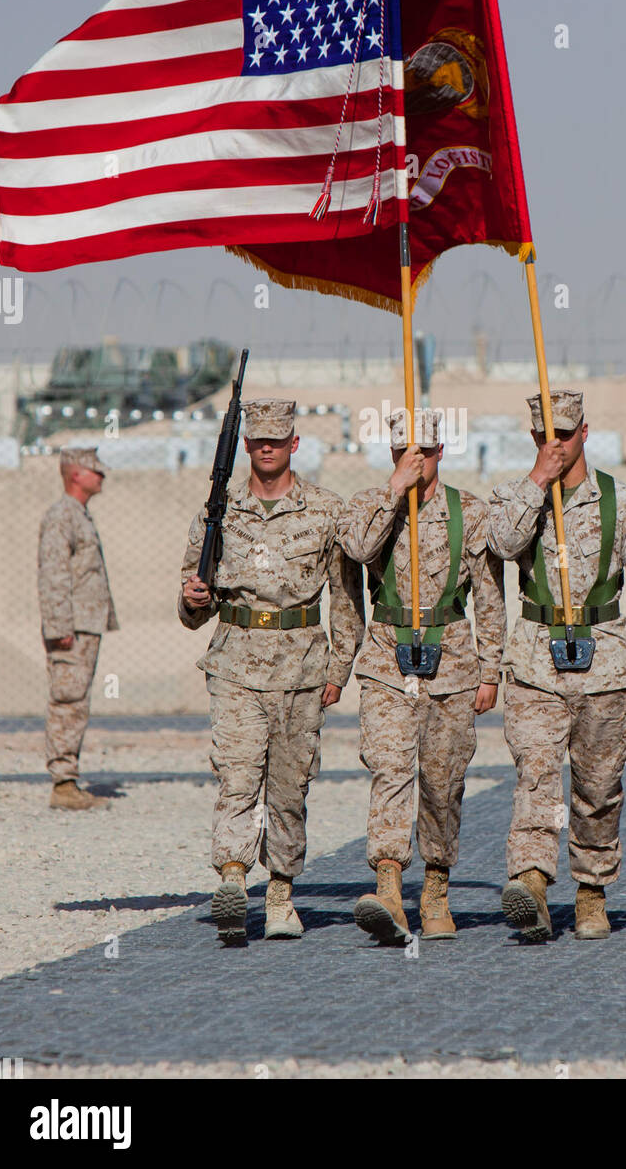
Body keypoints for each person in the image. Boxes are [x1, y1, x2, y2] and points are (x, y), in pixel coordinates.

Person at [179, 399, 364, 944]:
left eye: (276, 441)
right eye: (257, 441)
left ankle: (281, 894)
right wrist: (192, 598)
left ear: (293, 445)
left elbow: (347, 598)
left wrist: (339, 665)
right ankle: (234, 880)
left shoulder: (326, 511)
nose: (266, 448)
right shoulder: (218, 512)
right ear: (246, 446)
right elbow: (192, 606)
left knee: (289, 787)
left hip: (302, 667)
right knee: (237, 778)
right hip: (235, 662)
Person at [487, 389, 626, 942]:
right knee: (535, 777)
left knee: (598, 787)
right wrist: (537, 480)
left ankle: (591, 892)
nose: (555, 445)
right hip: (536, 662)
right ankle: (533, 884)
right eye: (545, 436)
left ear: (584, 433)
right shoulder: (514, 497)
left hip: (607, 660)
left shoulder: (623, 502)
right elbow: (500, 543)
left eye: (564, 435)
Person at [336, 408, 506, 944]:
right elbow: (357, 550)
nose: (416, 461)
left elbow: (490, 596)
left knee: (442, 782)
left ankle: (435, 887)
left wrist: (490, 670)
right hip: (387, 660)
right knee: (389, 768)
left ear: (440, 453)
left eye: (425, 454)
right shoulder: (369, 506)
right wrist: (395, 488)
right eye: (404, 453)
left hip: (452, 663)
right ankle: (388, 884)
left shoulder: (470, 513)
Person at [37, 447, 118, 811]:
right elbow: (53, 575)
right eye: (94, 471)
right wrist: (59, 627)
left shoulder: (78, 515)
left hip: (84, 625)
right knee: (67, 701)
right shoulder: (61, 516)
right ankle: (63, 784)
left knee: (77, 701)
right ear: (76, 475)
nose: (102, 476)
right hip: (71, 627)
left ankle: (68, 779)